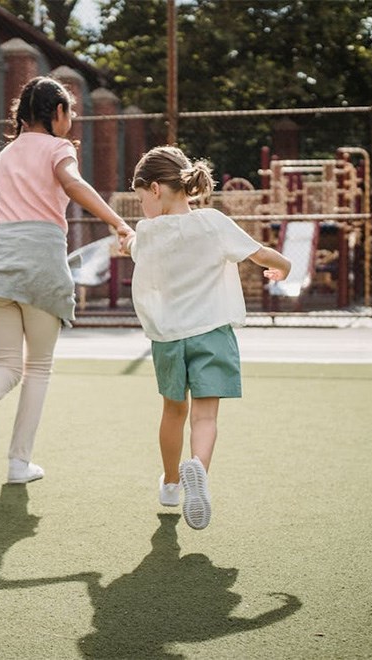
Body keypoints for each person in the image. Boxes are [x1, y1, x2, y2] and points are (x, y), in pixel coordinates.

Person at [0, 76, 134, 485]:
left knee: (5, 364)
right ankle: (19, 465)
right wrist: (118, 223)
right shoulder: (58, 149)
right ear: (57, 114)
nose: (71, 120)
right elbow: (73, 184)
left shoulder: (4, 158)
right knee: (38, 368)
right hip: (39, 271)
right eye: (70, 112)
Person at [122, 146, 291, 530]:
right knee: (205, 415)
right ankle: (198, 468)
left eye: (139, 198)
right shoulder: (213, 223)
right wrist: (284, 264)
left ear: (154, 189)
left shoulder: (147, 232)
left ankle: (170, 484)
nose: (140, 207)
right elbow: (260, 254)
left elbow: (133, 246)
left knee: (173, 411)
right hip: (213, 332)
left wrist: (125, 241)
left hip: (169, 338)